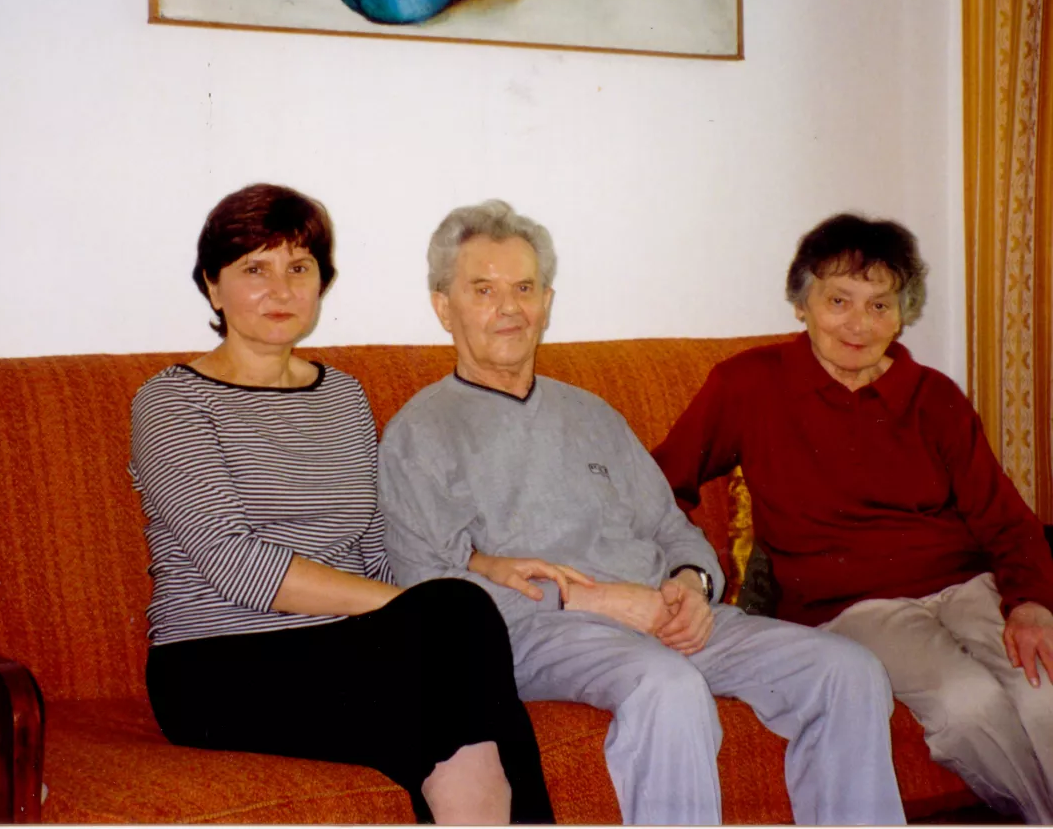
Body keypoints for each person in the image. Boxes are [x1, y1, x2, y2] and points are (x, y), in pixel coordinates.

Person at [377, 198, 906, 826]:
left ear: (547, 300)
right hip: (540, 633)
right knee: (668, 689)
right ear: (444, 306)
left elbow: (672, 527)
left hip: (663, 613)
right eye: (484, 290)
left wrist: (691, 585)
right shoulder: (421, 432)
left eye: (524, 287)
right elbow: (430, 592)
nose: (510, 307)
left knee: (847, 670)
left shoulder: (593, 414)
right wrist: (597, 600)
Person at [128, 183, 553, 825]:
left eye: (299, 268)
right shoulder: (170, 404)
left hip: (343, 647)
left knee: (457, 698)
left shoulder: (344, 397)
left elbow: (378, 545)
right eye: (255, 269)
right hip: (214, 666)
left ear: (321, 283)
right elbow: (236, 564)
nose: (282, 289)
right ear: (213, 288)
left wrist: (476, 567)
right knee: (457, 639)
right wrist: (415, 608)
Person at [654, 212, 1053, 824]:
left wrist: (1029, 604)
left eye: (880, 305)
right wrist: (671, 568)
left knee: (1044, 691)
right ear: (801, 303)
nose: (859, 325)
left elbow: (1002, 514)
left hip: (968, 586)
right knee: (965, 703)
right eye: (839, 300)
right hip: (851, 606)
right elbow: (661, 483)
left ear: (902, 311)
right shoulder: (749, 385)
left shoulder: (933, 396)